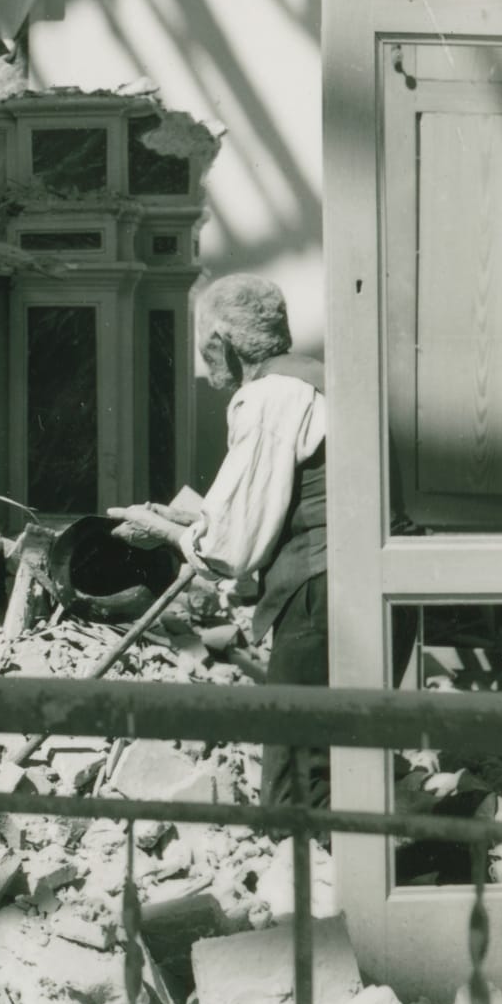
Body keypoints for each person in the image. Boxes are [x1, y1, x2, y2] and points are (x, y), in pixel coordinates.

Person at [109, 274, 330, 808]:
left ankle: (464, 829)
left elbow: (232, 552)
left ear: (222, 342)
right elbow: (277, 502)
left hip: (320, 594)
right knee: (337, 767)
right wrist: (190, 519)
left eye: (201, 342)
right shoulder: (312, 379)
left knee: (296, 792)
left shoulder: (268, 397)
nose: (201, 358)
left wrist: (165, 532)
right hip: (350, 585)